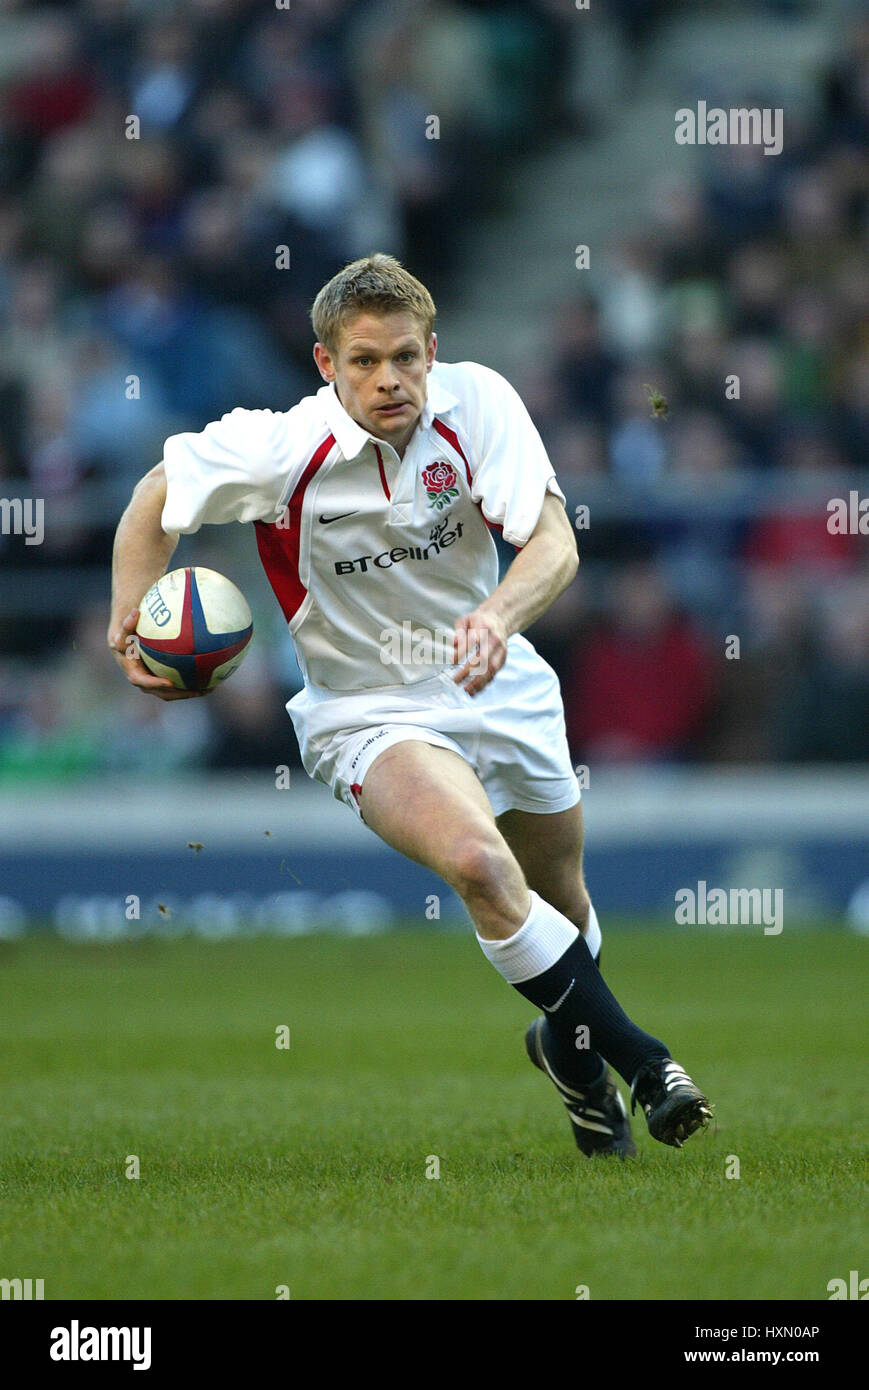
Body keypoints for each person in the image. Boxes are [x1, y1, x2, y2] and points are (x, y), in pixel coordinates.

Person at [108, 253, 711, 1156]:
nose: (388, 379)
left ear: (432, 351)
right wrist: (129, 620)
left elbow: (551, 543)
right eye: (362, 361)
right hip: (369, 712)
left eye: (404, 358)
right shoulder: (281, 447)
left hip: (496, 680)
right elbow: (156, 497)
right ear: (326, 366)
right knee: (478, 865)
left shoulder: (478, 403)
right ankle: (648, 1063)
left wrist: (496, 617)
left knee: (563, 906)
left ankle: (573, 1064)